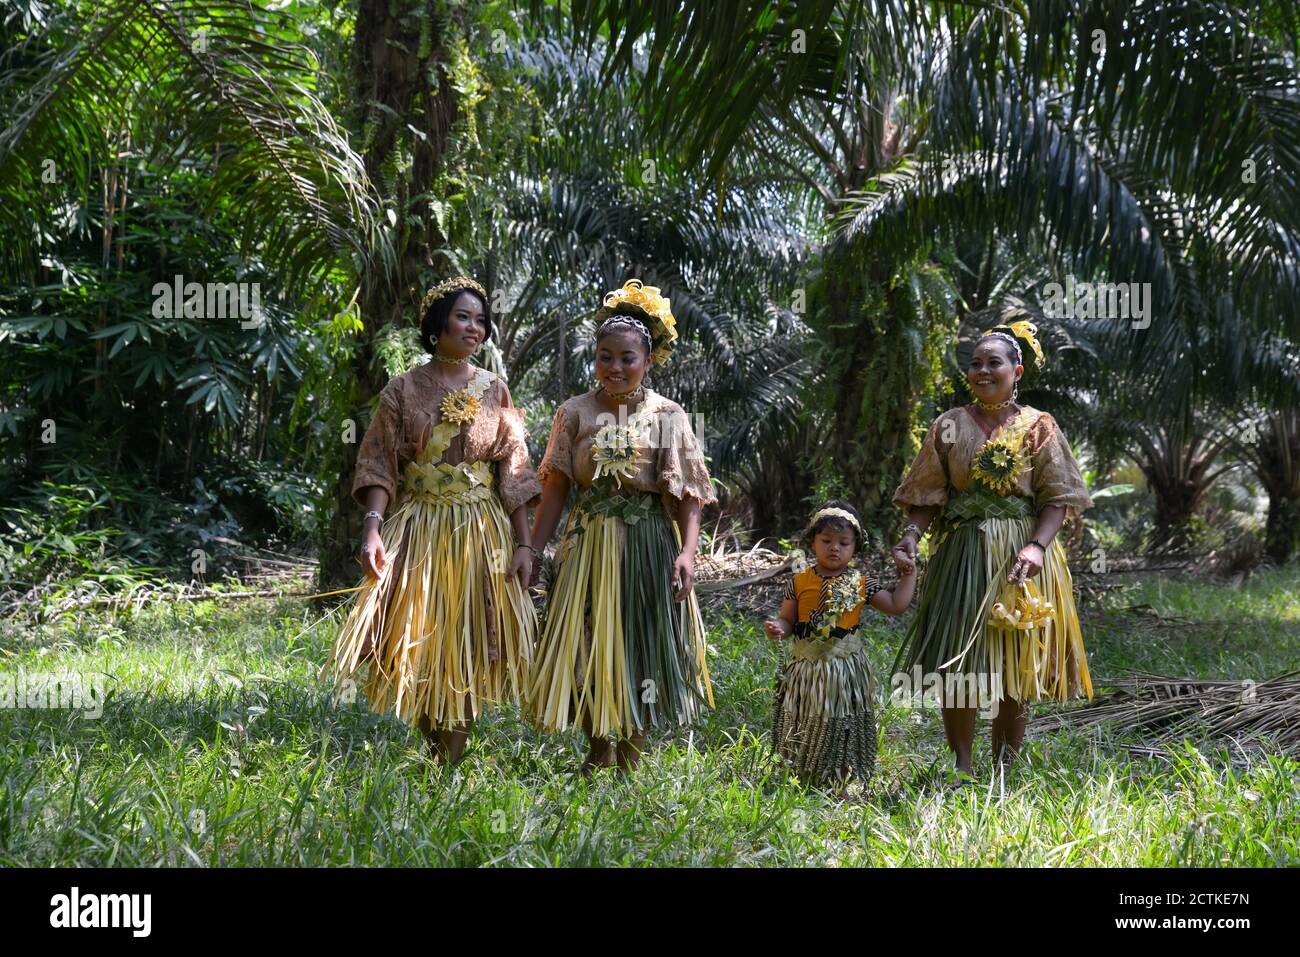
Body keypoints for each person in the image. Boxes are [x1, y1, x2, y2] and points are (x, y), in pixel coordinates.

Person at [324, 277, 541, 764]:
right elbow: (380, 464)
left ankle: (450, 760)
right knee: (421, 643)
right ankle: (433, 746)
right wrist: (373, 527)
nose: (474, 328)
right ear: (436, 323)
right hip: (419, 529)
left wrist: (525, 546)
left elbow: (515, 472)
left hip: (480, 532)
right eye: (463, 317)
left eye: (481, 320)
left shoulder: (495, 389)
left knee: (467, 641)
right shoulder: (401, 390)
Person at [890, 320, 1093, 786]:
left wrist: (1038, 546)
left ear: (1016, 370)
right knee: (957, 662)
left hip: (1020, 558)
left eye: (993, 362)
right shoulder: (949, 426)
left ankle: (1004, 767)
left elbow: (1057, 498)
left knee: (1013, 660)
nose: (982, 370)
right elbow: (926, 496)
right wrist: (910, 538)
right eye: (975, 363)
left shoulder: (1039, 425)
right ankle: (961, 765)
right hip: (962, 553)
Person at [527, 279, 715, 776]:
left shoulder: (668, 415)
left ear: (649, 361)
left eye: (627, 358)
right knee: (586, 638)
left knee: (641, 641)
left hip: (649, 543)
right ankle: (596, 749)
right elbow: (556, 489)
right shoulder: (573, 413)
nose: (615, 367)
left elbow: (689, 493)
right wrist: (533, 549)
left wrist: (687, 553)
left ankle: (631, 755)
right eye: (605, 356)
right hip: (587, 545)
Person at [765, 500, 916, 789]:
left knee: (843, 723)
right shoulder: (798, 582)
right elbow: (787, 619)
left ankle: (840, 779)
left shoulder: (862, 583)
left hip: (845, 670)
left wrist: (909, 574)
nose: (835, 548)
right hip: (806, 667)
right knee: (804, 717)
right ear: (812, 541)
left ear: (855, 547)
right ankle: (803, 773)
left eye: (844, 543)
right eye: (827, 541)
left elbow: (896, 604)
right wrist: (778, 629)